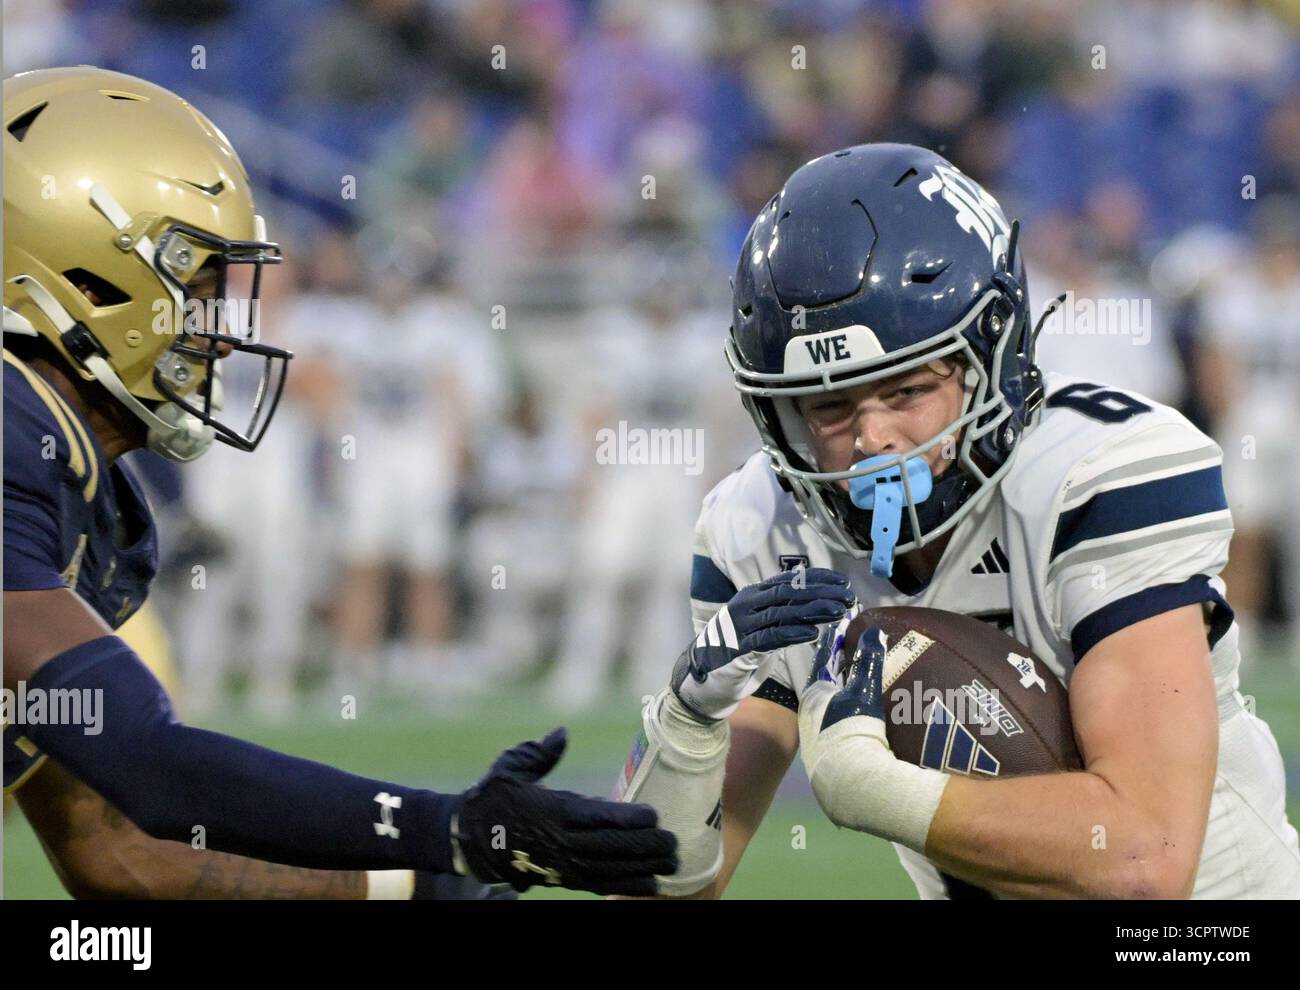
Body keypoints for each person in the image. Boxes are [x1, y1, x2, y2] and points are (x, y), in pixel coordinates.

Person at [3, 66, 676, 899]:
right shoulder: (13, 435)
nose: (220, 335)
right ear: (84, 280)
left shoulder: (65, 469)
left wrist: (419, 886)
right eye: (200, 291)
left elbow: (124, 851)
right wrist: (446, 830)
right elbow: (147, 763)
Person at [618, 142, 1299, 899]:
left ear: (989, 362)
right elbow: (669, 894)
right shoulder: (762, 529)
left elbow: (1144, 861)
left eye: (907, 391)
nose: (873, 440)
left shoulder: (1098, 474)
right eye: (832, 407)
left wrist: (878, 792)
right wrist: (683, 731)